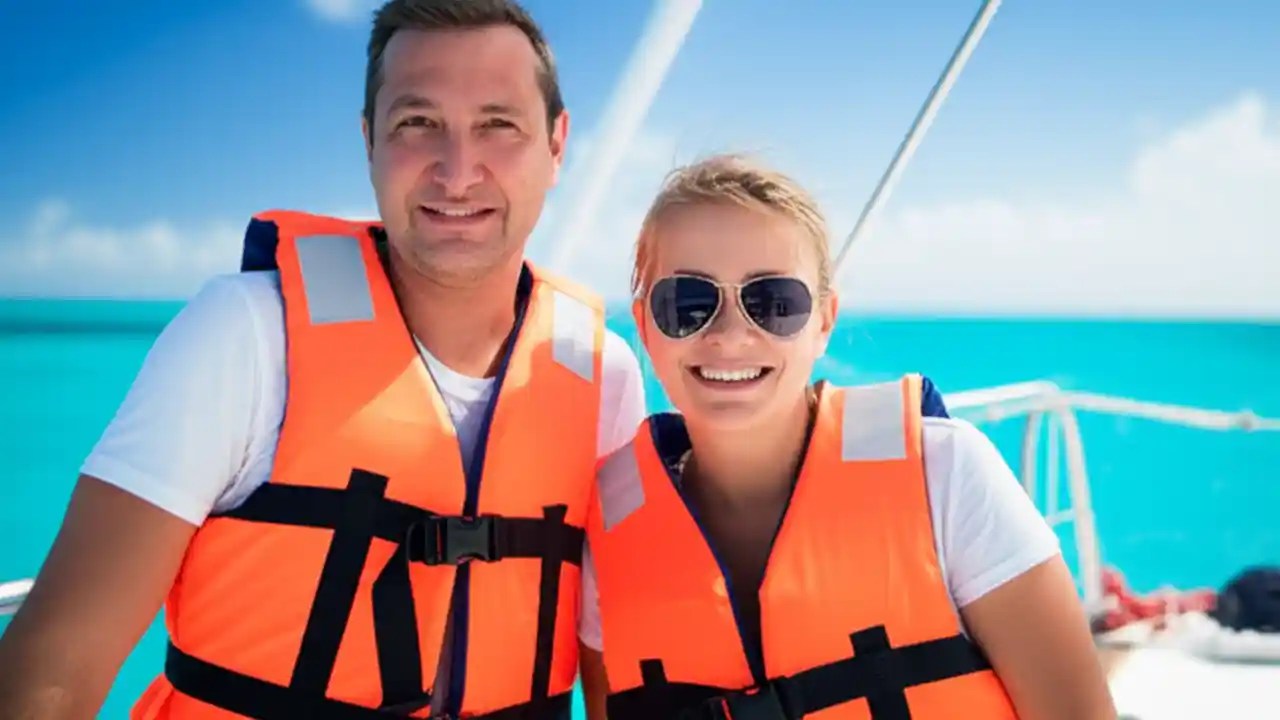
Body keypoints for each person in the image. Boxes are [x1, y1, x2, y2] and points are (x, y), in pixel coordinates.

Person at [0, 1, 646, 718]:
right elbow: (56, 668)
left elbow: (616, 675)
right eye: (417, 123)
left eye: (498, 125)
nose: (458, 171)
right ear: (369, 140)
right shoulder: (245, 336)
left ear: (557, 144)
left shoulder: (602, 376)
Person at [577, 154, 1118, 719]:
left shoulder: (946, 474)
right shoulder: (611, 536)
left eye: (774, 303)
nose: (731, 335)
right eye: (688, 303)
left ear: (824, 321)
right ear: (644, 326)